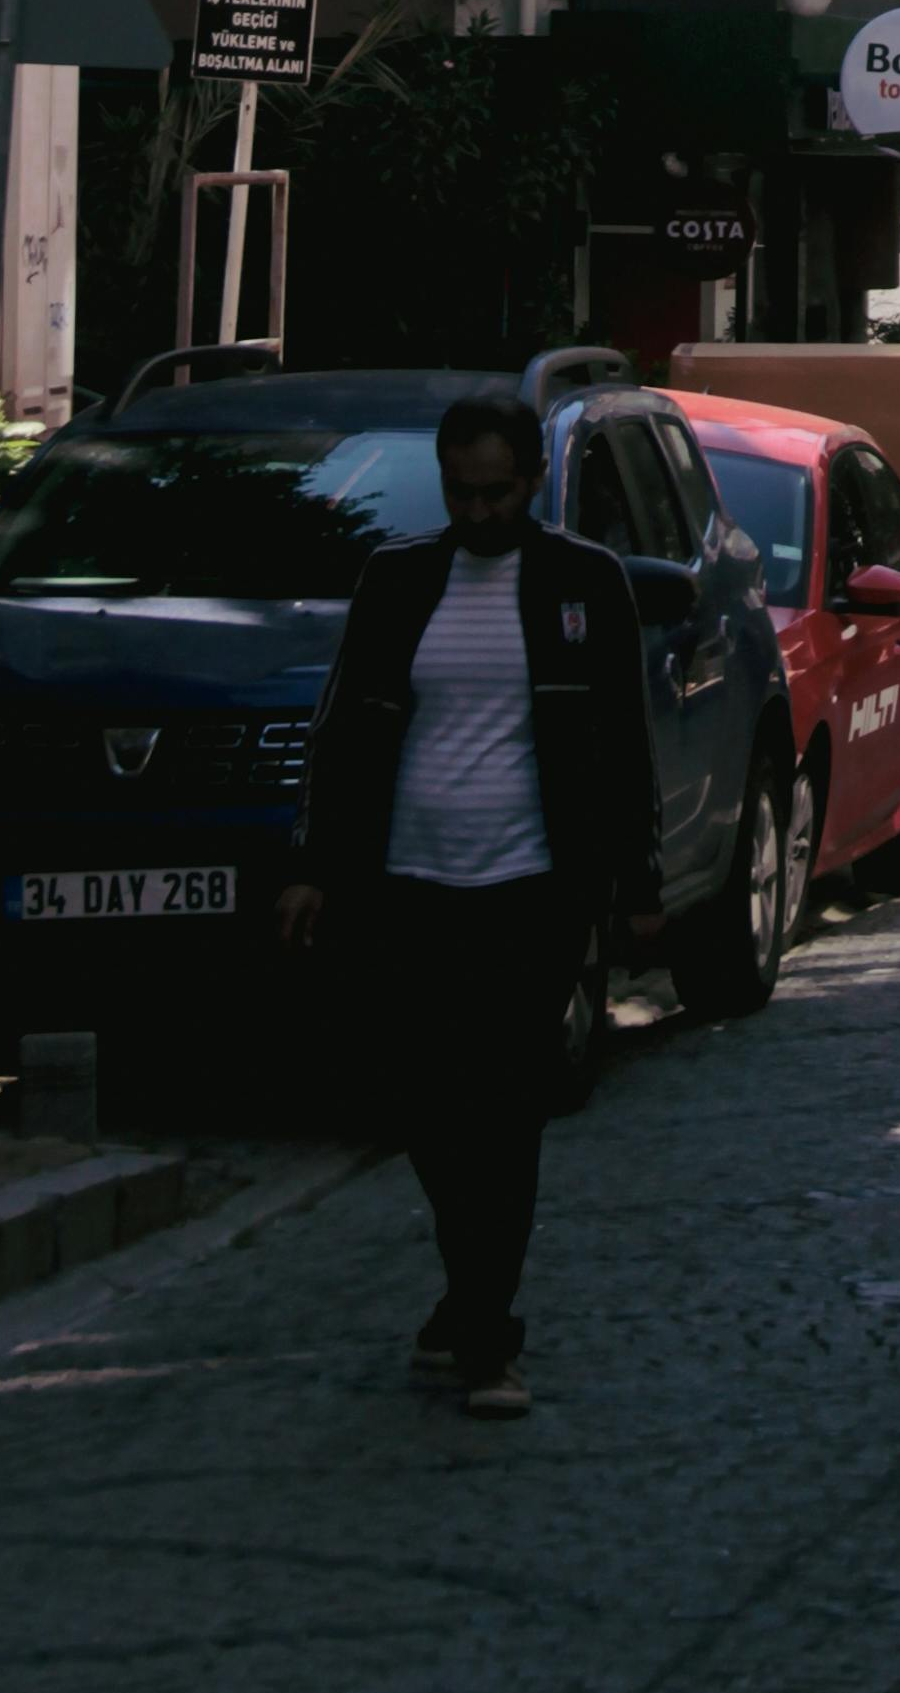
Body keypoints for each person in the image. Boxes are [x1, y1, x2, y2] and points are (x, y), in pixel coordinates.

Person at [281, 389, 661, 1418]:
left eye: (497, 491)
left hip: (529, 889)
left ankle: (490, 1334)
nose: (480, 509)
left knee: (500, 1109)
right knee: (421, 1101)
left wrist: (637, 887)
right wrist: (315, 863)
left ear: (532, 481)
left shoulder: (585, 583)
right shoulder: (399, 580)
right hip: (408, 883)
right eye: (462, 491)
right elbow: (346, 730)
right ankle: (468, 1288)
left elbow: (624, 744)